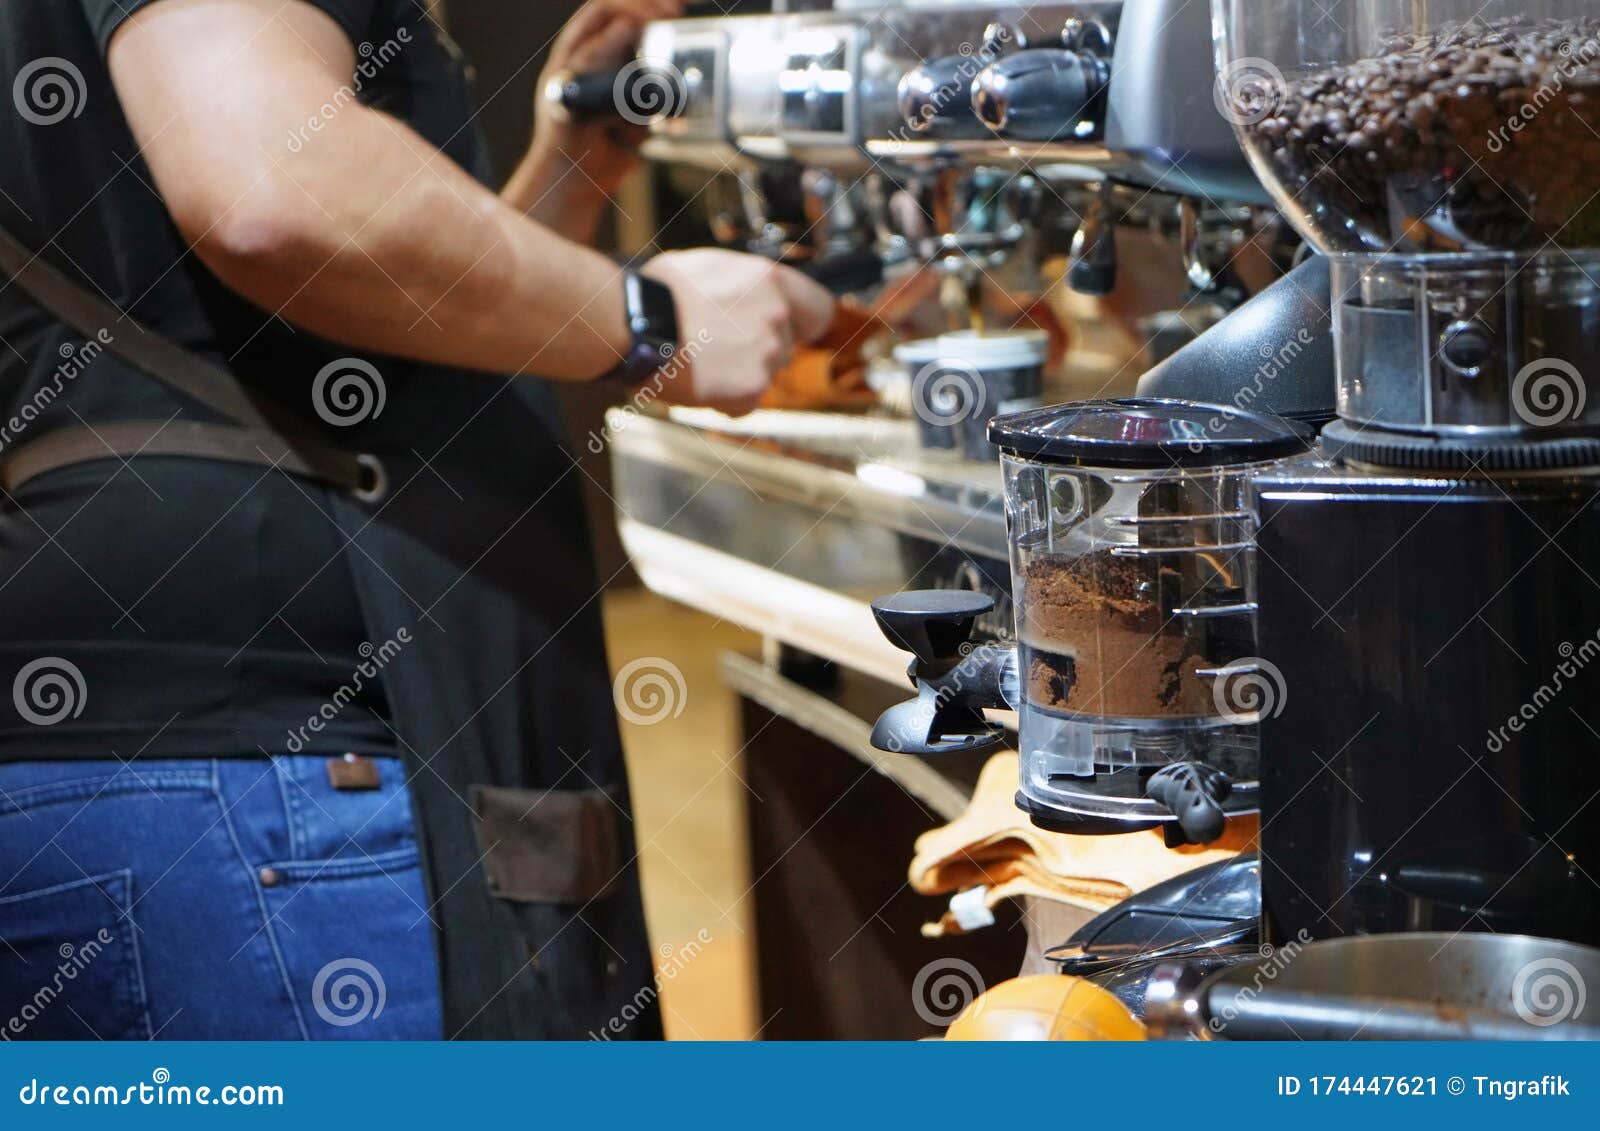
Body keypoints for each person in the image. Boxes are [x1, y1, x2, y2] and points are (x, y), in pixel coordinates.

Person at [0, 0, 833, 1040]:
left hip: (166, 766)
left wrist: (566, 180)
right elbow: (272, 192)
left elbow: (363, 331)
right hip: (267, 777)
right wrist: (644, 318)